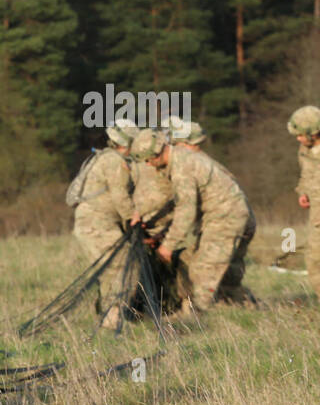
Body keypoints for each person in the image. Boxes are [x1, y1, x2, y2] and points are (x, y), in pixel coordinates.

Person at [130, 128, 255, 315]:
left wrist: (168, 245)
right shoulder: (179, 160)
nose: (149, 165)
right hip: (219, 218)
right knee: (223, 274)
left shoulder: (182, 167)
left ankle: (192, 319)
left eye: (149, 159)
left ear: (157, 152)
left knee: (203, 269)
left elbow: (186, 210)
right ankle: (246, 308)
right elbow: (172, 201)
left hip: (225, 218)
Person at [69, 121, 135, 329]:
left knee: (111, 267)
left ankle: (111, 314)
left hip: (93, 223)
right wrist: (133, 216)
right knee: (120, 264)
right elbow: (119, 195)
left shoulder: (102, 157)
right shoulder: (114, 161)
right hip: (97, 224)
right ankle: (112, 317)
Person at [288, 105, 320, 304]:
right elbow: (306, 175)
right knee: (314, 260)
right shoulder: (304, 150)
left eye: (301, 134)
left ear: (314, 132)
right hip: (318, 214)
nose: (298, 139)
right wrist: (303, 192)